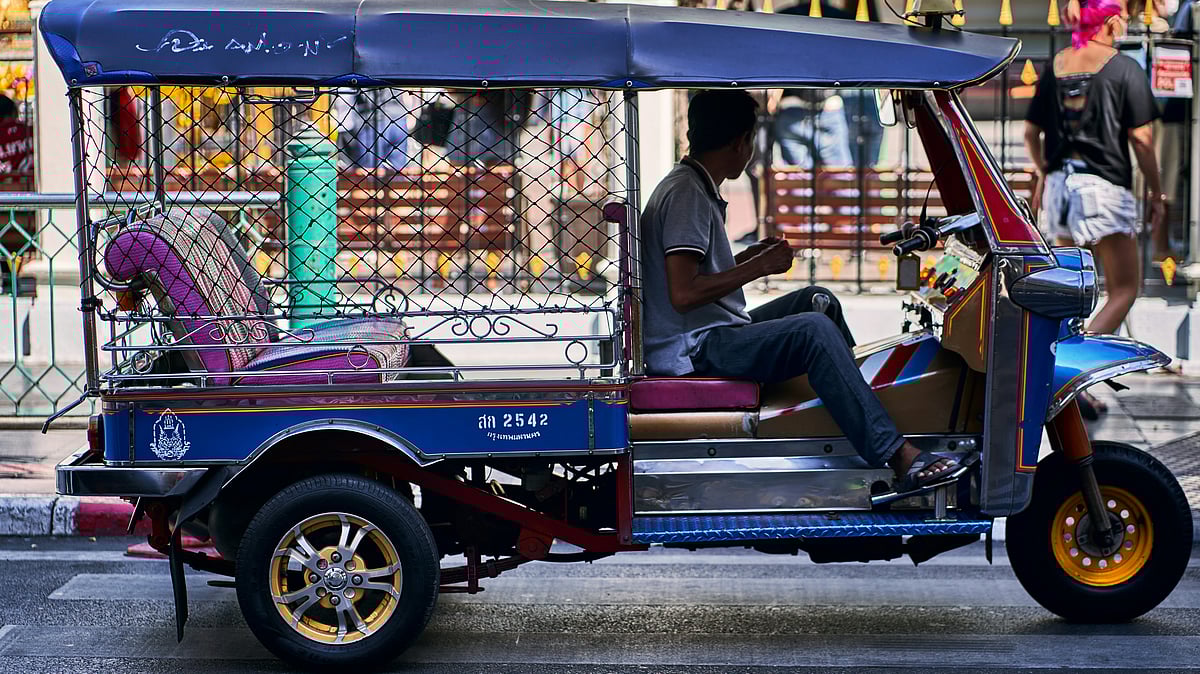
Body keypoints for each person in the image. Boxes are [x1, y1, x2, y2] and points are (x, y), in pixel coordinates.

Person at [641, 89, 958, 490]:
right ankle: (896, 453)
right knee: (813, 329)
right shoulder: (687, 194)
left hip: (708, 332)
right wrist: (758, 267)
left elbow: (694, 273)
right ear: (741, 142)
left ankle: (860, 412)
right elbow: (683, 293)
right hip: (696, 349)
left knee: (816, 300)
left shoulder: (693, 186)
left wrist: (744, 259)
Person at [1024, 0, 1165, 418]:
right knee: (1123, 289)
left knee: (1074, 294)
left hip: (1060, 189)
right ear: (1110, 19)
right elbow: (1141, 138)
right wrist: (1156, 192)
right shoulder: (1122, 67)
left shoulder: (1059, 63)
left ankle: (1070, 388)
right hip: (1103, 189)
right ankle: (1067, 375)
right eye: (1121, 12)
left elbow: (1031, 132)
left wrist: (1043, 171)